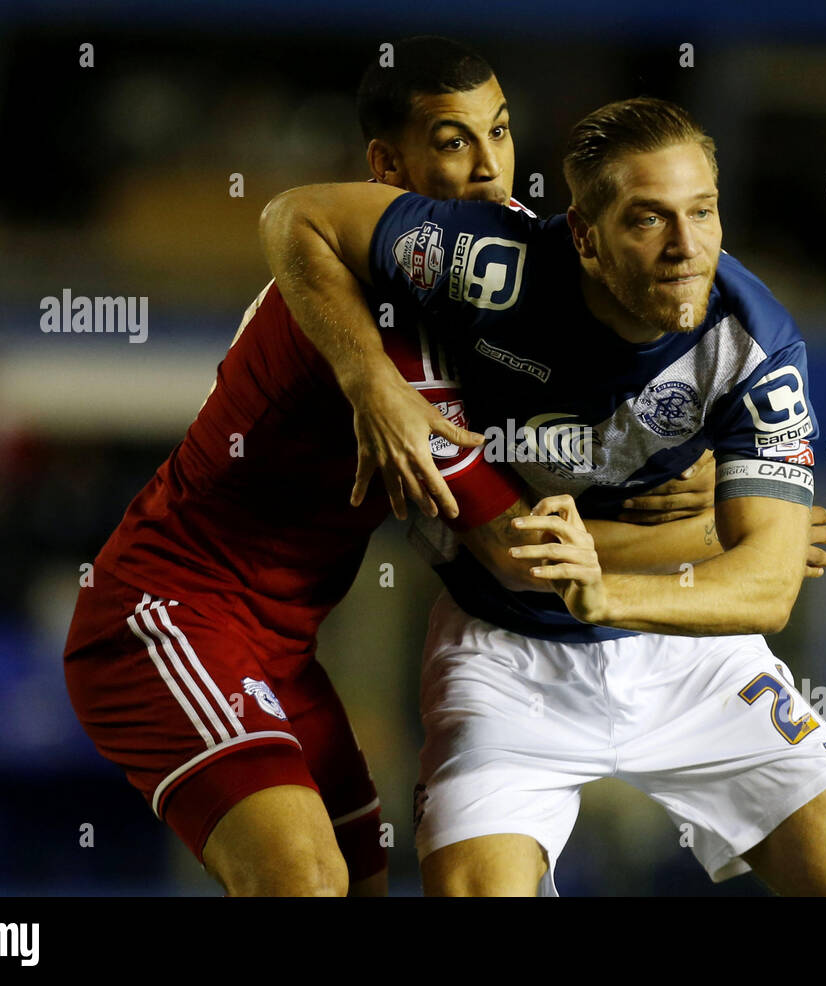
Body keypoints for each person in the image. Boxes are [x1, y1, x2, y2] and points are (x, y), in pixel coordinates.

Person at [61, 38, 784, 898]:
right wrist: (713, 532)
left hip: (283, 647)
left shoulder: (502, 262)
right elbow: (513, 551)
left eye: (502, 133)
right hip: (170, 611)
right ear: (384, 168)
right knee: (303, 882)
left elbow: (560, 430)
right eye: (452, 142)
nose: (489, 169)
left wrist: (679, 477)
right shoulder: (384, 329)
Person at [259, 95, 826, 896]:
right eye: (648, 220)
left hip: (695, 661)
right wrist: (369, 381)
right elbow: (296, 218)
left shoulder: (752, 342)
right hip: (506, 662)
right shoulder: (492, 266)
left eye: (703, 212)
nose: (686, 247)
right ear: (586, 236)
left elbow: (768, 588)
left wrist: (605, 589)